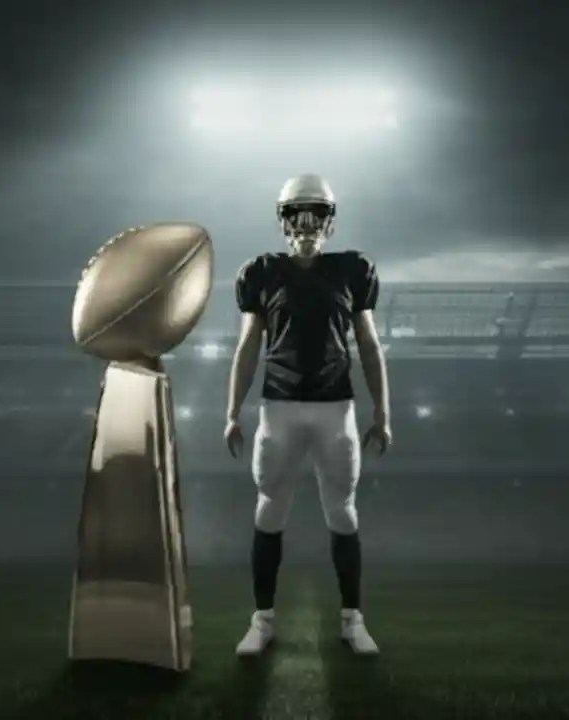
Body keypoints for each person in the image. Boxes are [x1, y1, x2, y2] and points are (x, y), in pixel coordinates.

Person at [224, 173, 392, 657]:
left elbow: (368, 343)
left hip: (336, 407)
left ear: (331, 220)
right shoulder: (261, 271)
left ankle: (352, 619)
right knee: (270, 508)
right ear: (281, 219)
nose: (305, 223)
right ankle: (262, 619)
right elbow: (248, 344)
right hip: (278, 406)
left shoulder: (352, 269)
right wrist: (232, 410)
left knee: (341, 511)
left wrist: (383, 411)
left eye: (316, 212)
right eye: (297, 212)